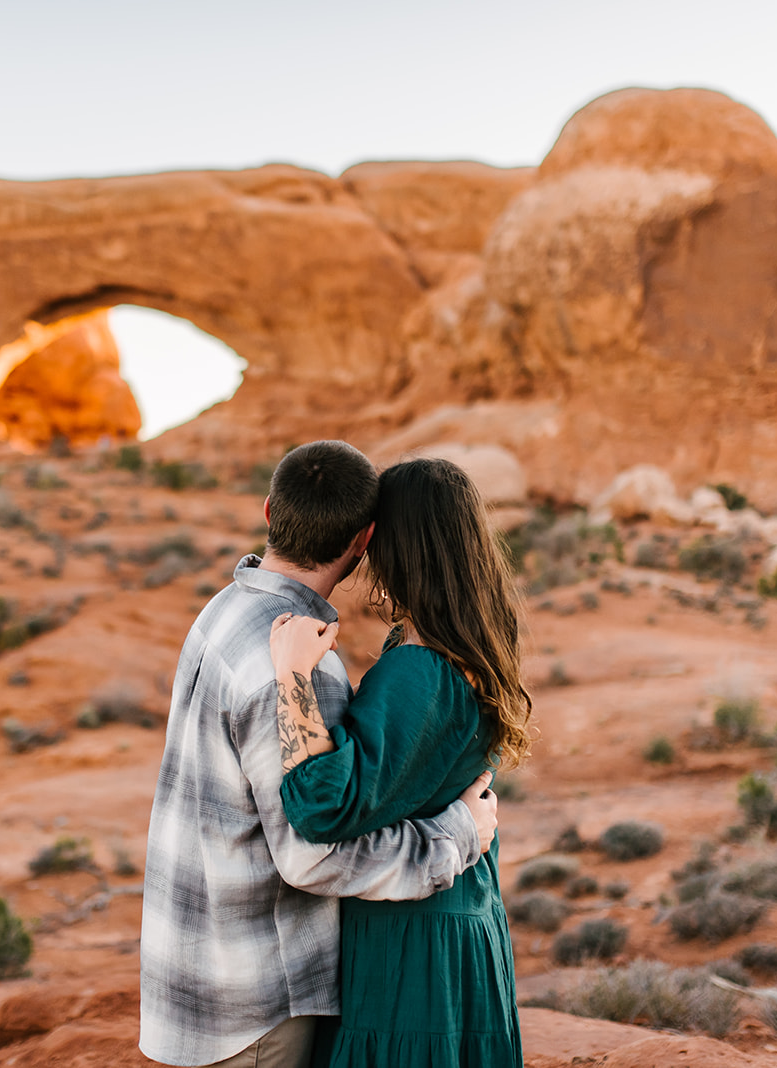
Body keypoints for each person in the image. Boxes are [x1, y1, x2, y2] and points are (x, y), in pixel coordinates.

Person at [140, 441, 499, 1068]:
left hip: (187, 972)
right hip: (257, 997)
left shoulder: (221, 614)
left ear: (271, 512)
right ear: (363, 541)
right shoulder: (303, 671)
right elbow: (315, 856)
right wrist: (459, 836)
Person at [269, 456, 533, 1068]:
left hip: (413, 942)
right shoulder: (473, 636)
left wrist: (291, 675)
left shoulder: (420, 667)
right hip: (463, 912)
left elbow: (321, 805)